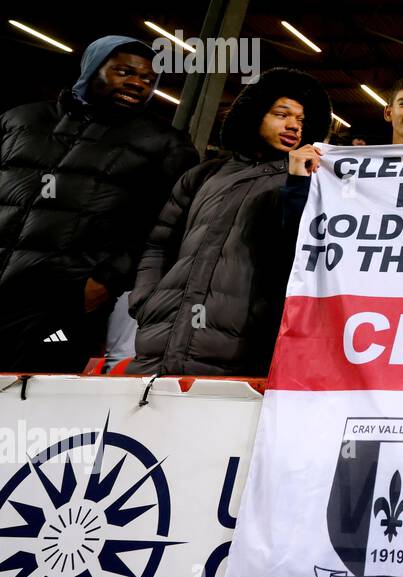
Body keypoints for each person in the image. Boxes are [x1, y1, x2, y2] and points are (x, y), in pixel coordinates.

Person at [0, 35, 198, 371]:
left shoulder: (165, 145)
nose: (137, 84)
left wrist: (107, 280)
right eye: (124, 72)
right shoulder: (21, 120)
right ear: (92, 69)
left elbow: (162, 227)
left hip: (63, 301)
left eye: (149, 80)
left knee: (37, 398)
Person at [128, 68, 331, 377]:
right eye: (282, 114)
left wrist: (298, 183)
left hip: (242, 351)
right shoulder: (203, 175)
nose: (293, 126)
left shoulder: (310, 182)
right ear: (255, 114)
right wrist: (145, 301)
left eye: (302, 121)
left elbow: (302, 248)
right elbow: (158, 243)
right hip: (158, 343)